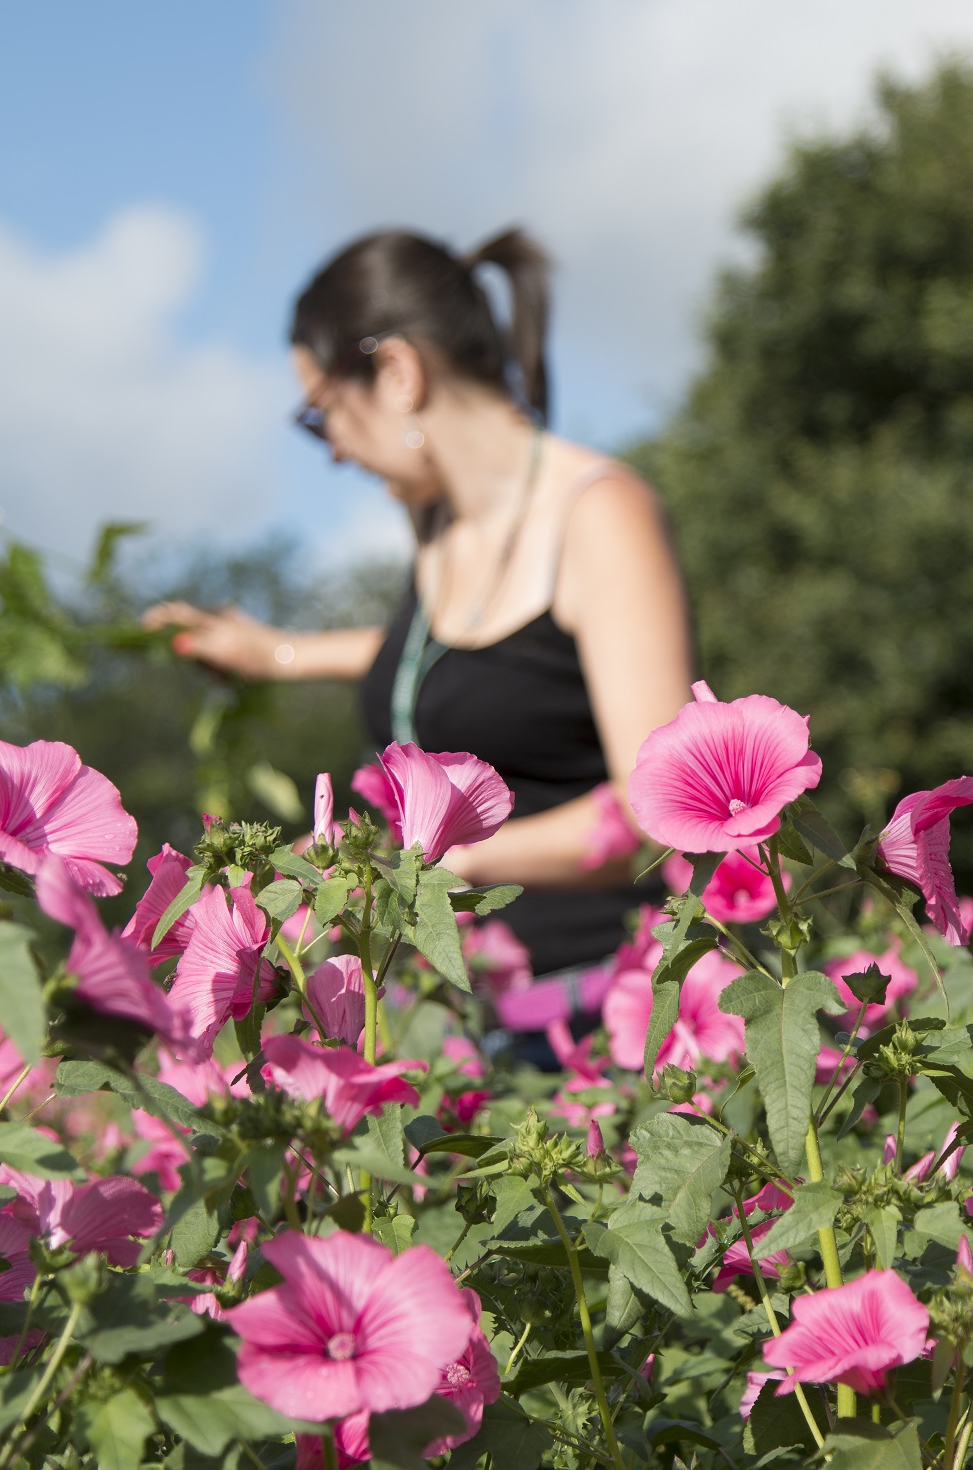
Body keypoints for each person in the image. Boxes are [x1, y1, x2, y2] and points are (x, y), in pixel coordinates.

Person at [144, 228, 692, 1055]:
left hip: (601, 1022)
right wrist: (278, 655)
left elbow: (659, 814)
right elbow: (475, 662)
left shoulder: (598, 516)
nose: (329, 450)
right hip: (463, 1024)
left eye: (319, 411)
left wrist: (430, 865)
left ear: (396, 373)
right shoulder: (438, 525)